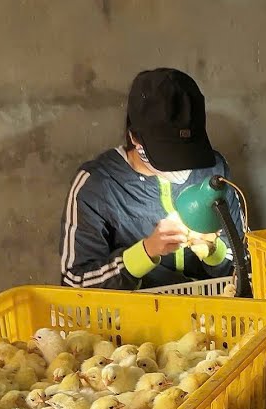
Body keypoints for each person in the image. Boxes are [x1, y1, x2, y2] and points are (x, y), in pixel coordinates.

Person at [59, 68, 248, 290]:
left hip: (212, 313)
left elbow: (245, 266)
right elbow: (75, 284)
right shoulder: (97, 186)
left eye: (187, 152)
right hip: (137, 317)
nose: (181, 167)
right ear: (134, 137)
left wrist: (212, 250)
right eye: (168, 155)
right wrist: (146, 252)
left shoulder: (212, 171)